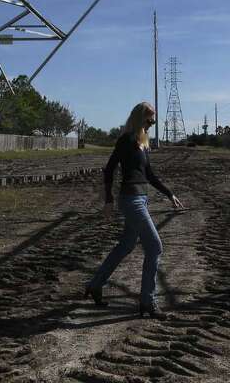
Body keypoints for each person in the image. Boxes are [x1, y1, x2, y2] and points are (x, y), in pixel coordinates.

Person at [85, 102, 183, 318]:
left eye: (153, 120)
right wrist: (108, 199)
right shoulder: (126, 140)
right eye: (150, 119)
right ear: (140, 118)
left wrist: (169, 193)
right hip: (131, 200)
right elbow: (109, 169)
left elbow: (149, 174)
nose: (153, 123)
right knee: (155, 247)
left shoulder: (142, 143)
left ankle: (95, 284)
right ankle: (148, 301)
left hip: (141, 198)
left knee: (127, 244)